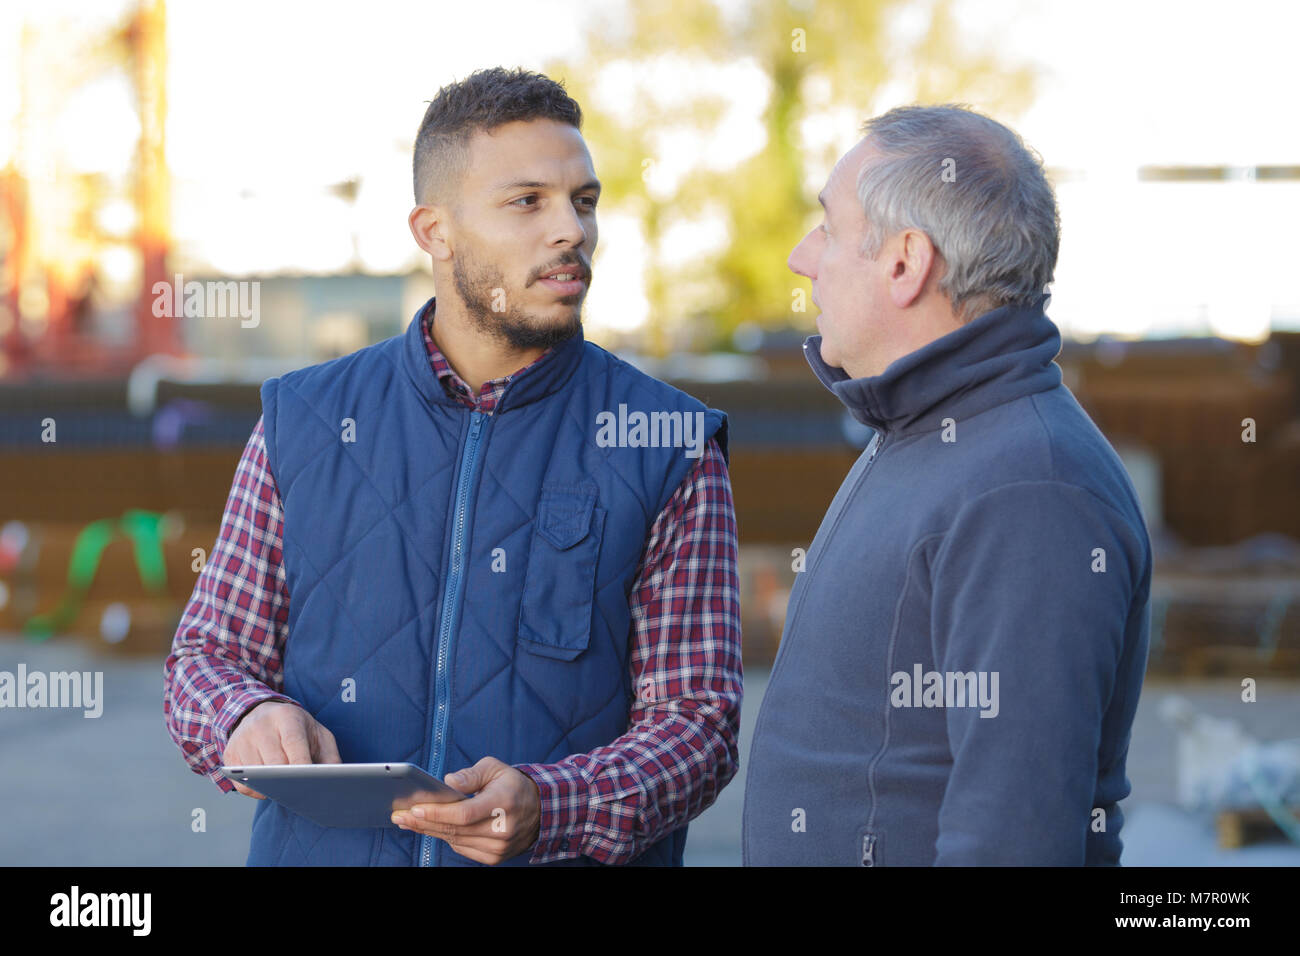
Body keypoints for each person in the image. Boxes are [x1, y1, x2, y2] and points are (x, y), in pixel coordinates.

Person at [163, 67, 742, 867]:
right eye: (527, 201)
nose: (570, 229)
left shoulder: (668, 441)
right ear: (434, 231)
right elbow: (207, 656)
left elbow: (699, 724)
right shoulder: (302, 421)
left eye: (583, 201)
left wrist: (556, 805)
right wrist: (239, 717)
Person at [742, 104, 1151, 866]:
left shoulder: (1029, 490)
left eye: (827, 228)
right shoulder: (925, 429)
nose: (803, 257)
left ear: (904, 263)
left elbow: (1013, 840)